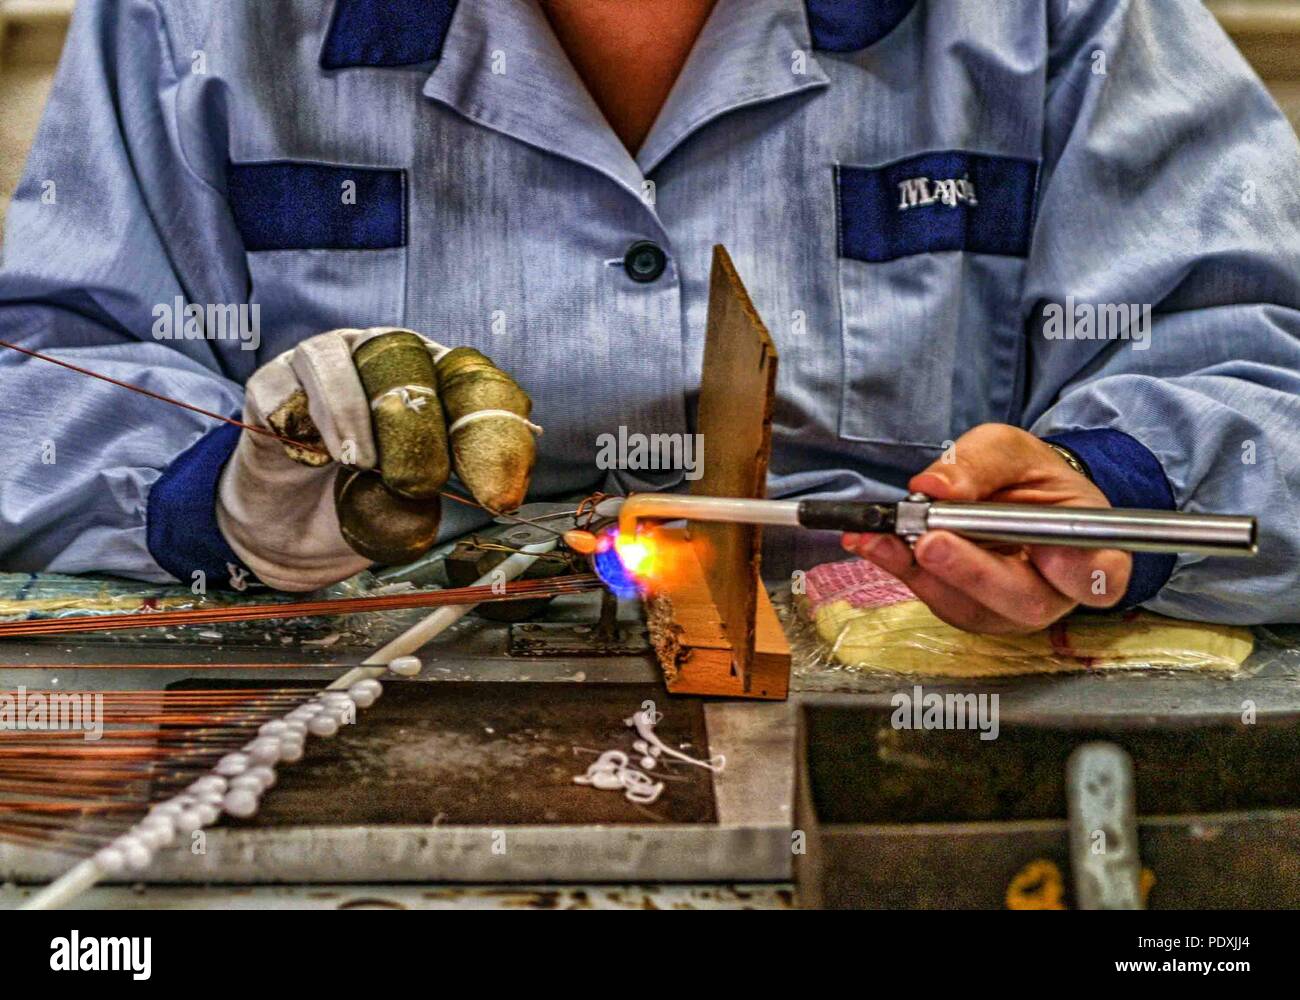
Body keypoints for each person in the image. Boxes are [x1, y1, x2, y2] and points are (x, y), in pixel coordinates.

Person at [1, 0, 1298, 634]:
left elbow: (1262, 372)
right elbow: (42, 385)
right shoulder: (200, 22)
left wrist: (1106, 500)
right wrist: (211, 504)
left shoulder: (1056, 18)